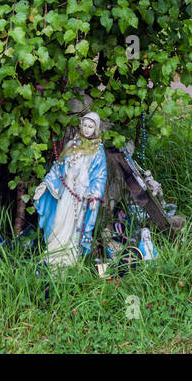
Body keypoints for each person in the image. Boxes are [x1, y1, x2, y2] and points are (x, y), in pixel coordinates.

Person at [35, 112, 109, 266]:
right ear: (80, 125)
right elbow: (57, 167)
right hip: (66, 191)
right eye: (85, 125)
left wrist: (95, 196)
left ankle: (70, 258)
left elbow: (100, 176)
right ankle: (53, 253)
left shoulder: (98, 151)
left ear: (96, 128)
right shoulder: (71, 145)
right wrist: (45, 184)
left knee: (76, 226)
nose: (87, 129)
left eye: (90, 126)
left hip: (81, 195)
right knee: (59, 220)